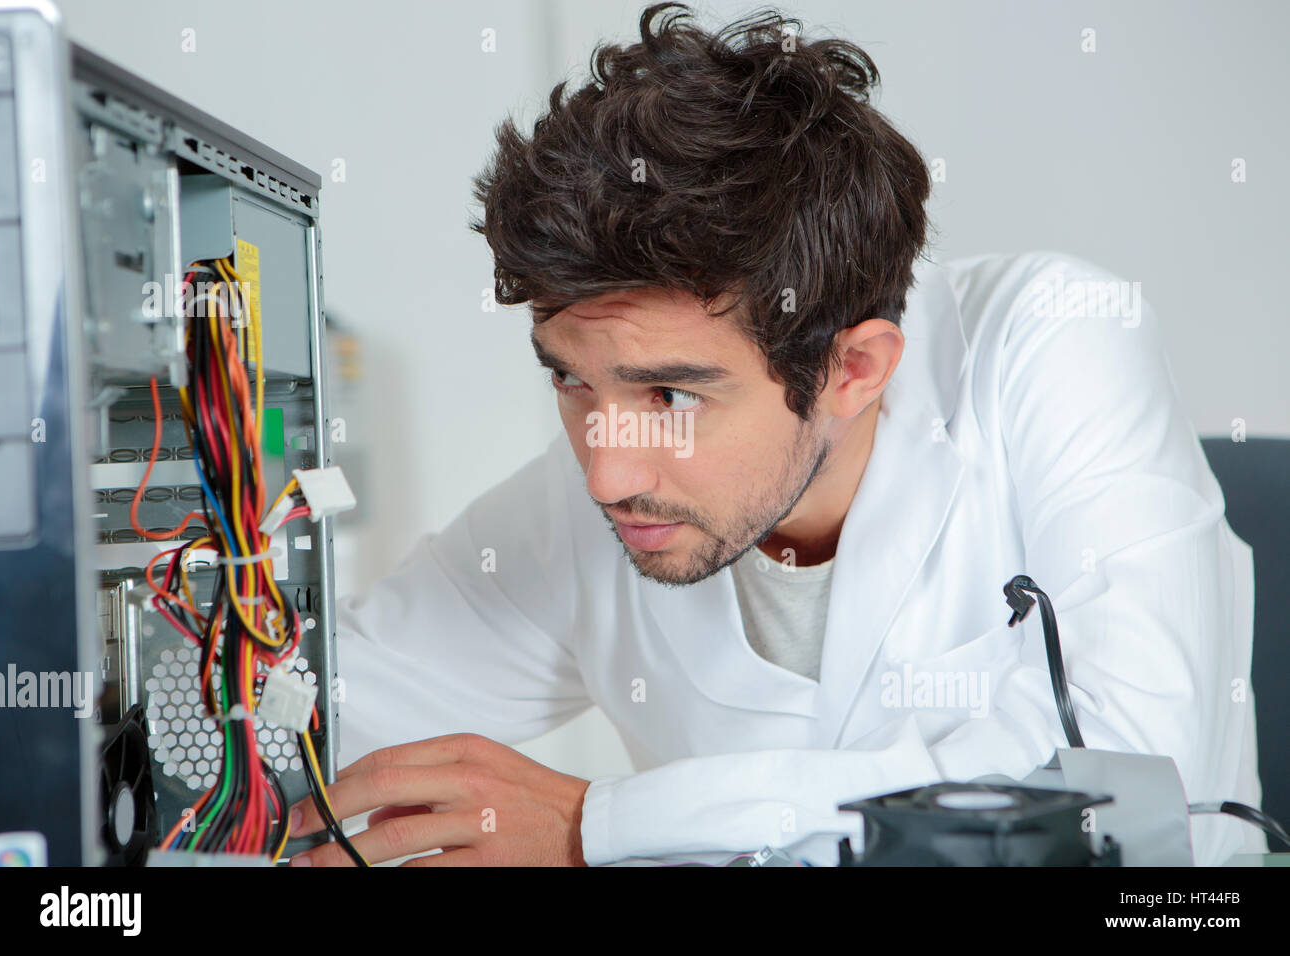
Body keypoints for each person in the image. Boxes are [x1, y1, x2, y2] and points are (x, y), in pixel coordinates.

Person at [287, 3, 1259, 866]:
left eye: (672, 393)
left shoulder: (1051, 338)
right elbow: (322, 716)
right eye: (569, 376)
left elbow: (1133, 774)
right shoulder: (595, 487)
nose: (605, 470)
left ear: (852, 369)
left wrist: (602, 828)